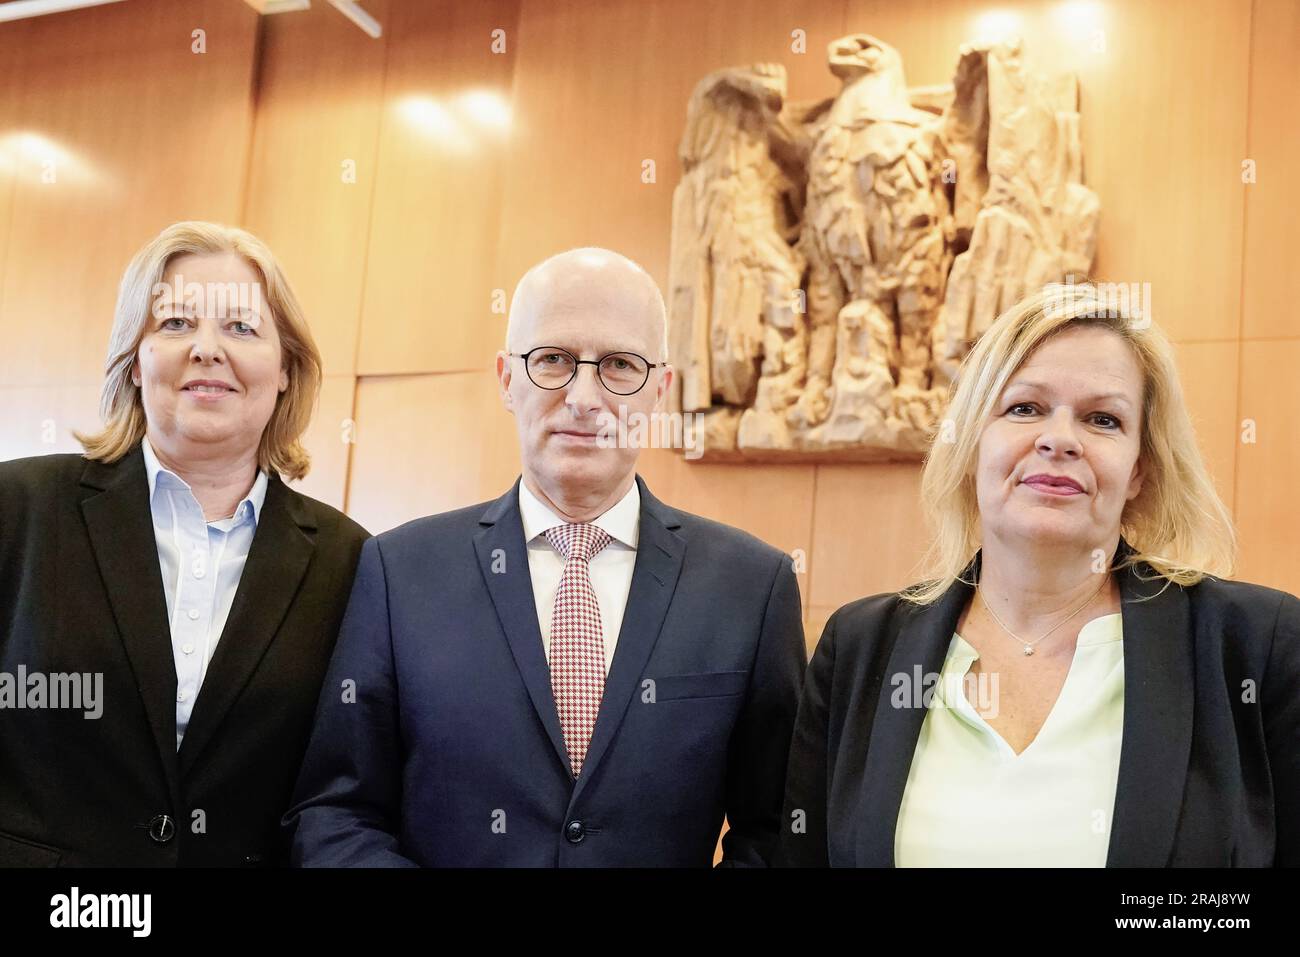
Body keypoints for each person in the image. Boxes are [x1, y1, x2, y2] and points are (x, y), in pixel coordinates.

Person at [285, 247, 806, 866]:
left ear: (660, 391)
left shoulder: (751, 586)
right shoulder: (398, 572)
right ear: (507, 379)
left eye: (619, 365)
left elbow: (780, 832)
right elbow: (336, 814)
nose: (584, 397)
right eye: (553, 359)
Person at [778, 281, 1299, 867]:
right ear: (973, 443)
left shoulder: (1259, 646)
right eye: (1024, 408)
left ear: (1138, 471)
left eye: (1102, 419)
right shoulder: (859, 649)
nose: (1058, 440)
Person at [0, 221, 369, 866]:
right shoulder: (19, 509)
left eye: (242, 328)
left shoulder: (352, 562)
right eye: (174, 324)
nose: (206, 349)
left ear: (286, 368)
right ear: (134, 359)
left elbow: (342, 786)